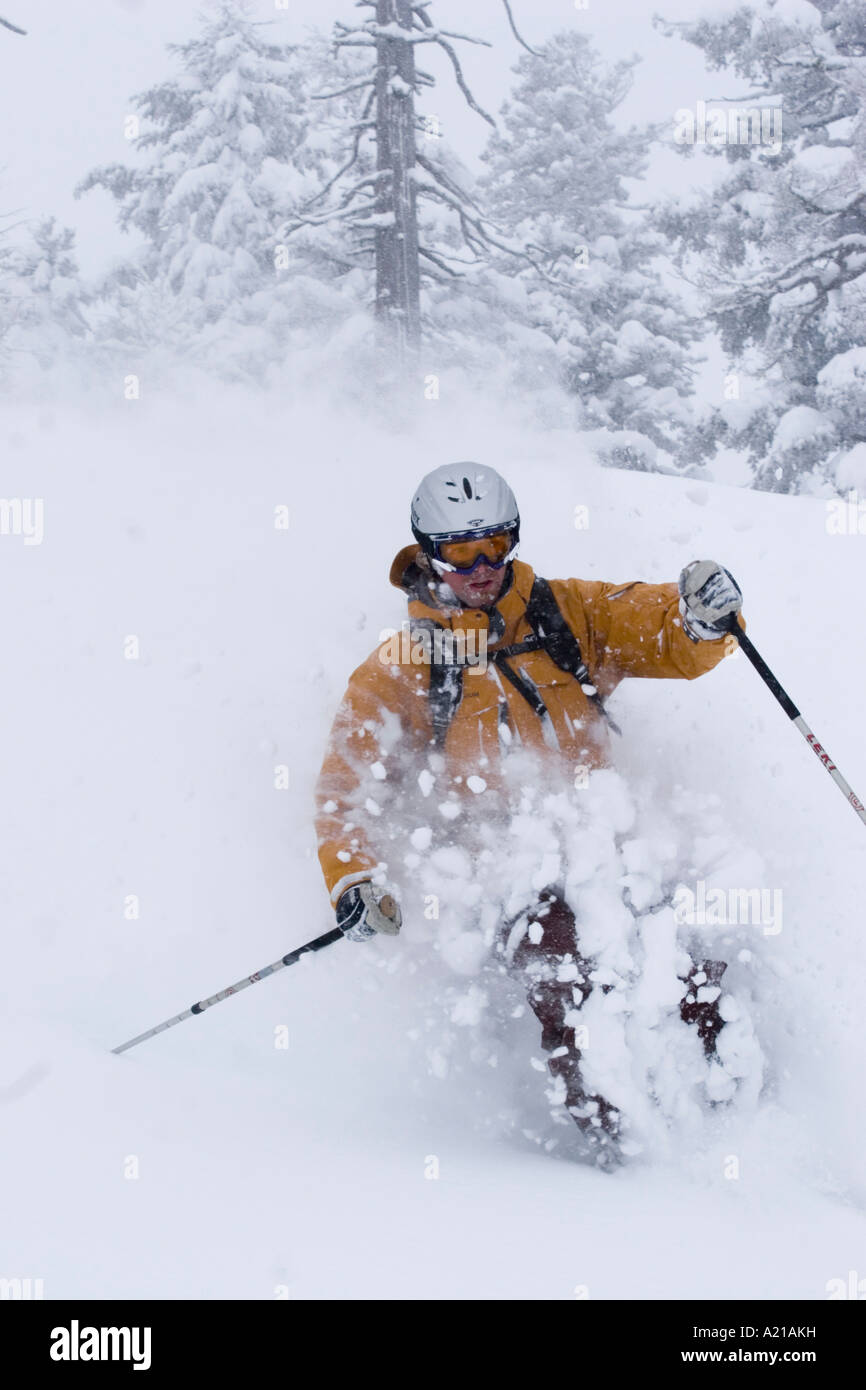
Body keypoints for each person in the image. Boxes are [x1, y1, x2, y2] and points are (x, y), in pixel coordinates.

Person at [314, 463, 745, 1161]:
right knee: (567, 971)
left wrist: (698, 618)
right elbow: (346, 786)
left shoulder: (564, 612)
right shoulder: (403, 665)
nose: (482, 567)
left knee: (687, 968)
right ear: (429, 553)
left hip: (603, 839)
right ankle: (625, 1155)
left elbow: (658, 629)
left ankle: (741, 1115)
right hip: (499, 867)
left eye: (494, 543)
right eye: (460, 552)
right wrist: (352, 877)